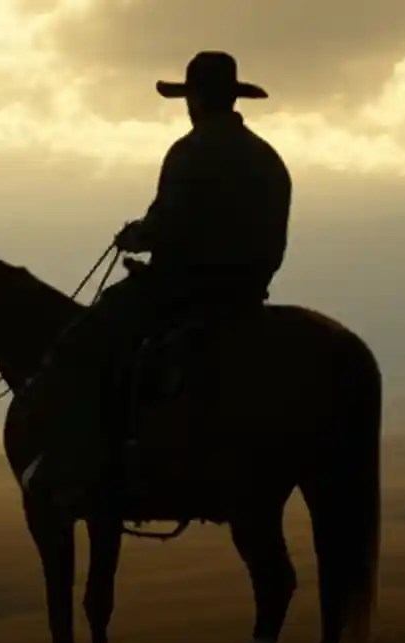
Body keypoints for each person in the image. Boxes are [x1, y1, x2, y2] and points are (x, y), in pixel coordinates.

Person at [22, 51, 293, 513]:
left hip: (184, 288)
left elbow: (168, 221)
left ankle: (79, 466)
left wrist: (137, 236)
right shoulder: (268, 158)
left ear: (198, 100)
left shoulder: (190, 152)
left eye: (190, 98)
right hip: (247, 292)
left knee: (86, 339)